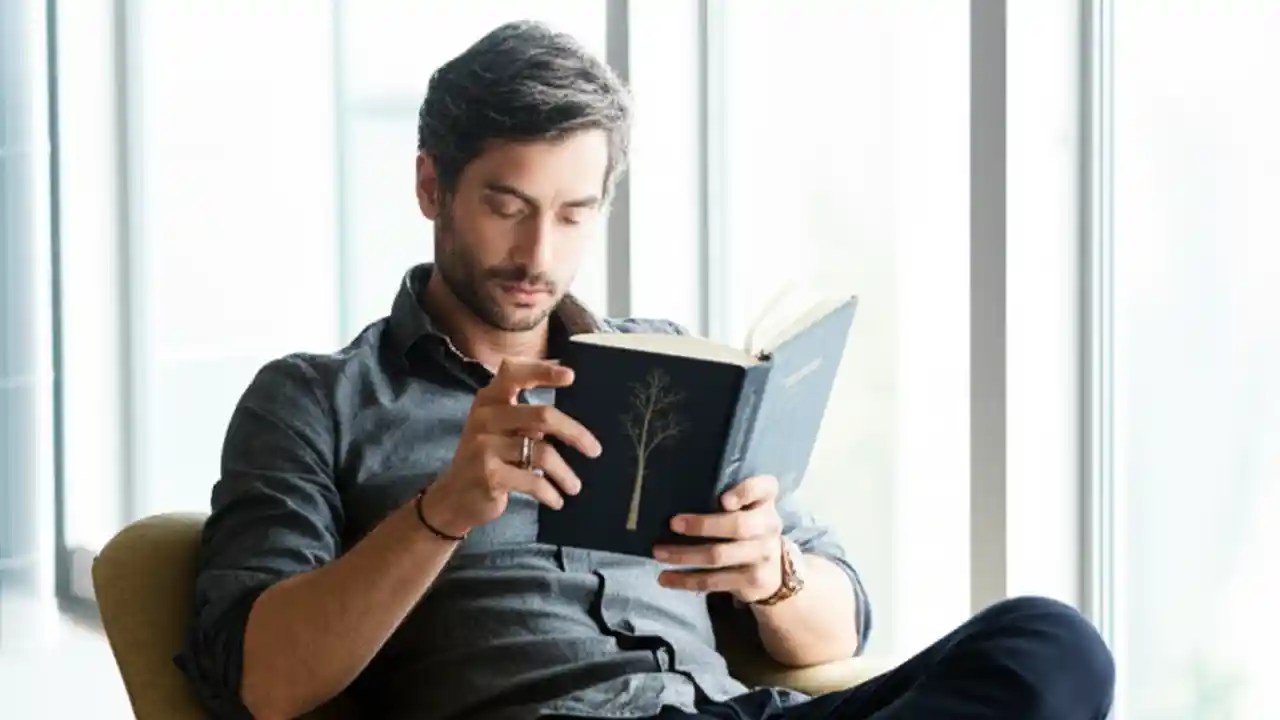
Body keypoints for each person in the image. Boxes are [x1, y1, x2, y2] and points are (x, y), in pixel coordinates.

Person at [176, 20, 1114, 720]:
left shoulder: (662, 366)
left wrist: (769, 572)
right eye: (508, 205)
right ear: (433, 187)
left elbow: (839, 631)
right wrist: (441, 513)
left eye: (575, 213)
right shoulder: (316, 401)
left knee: (1049, 643)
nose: (539, 251)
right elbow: (264, 680)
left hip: (722, 714)